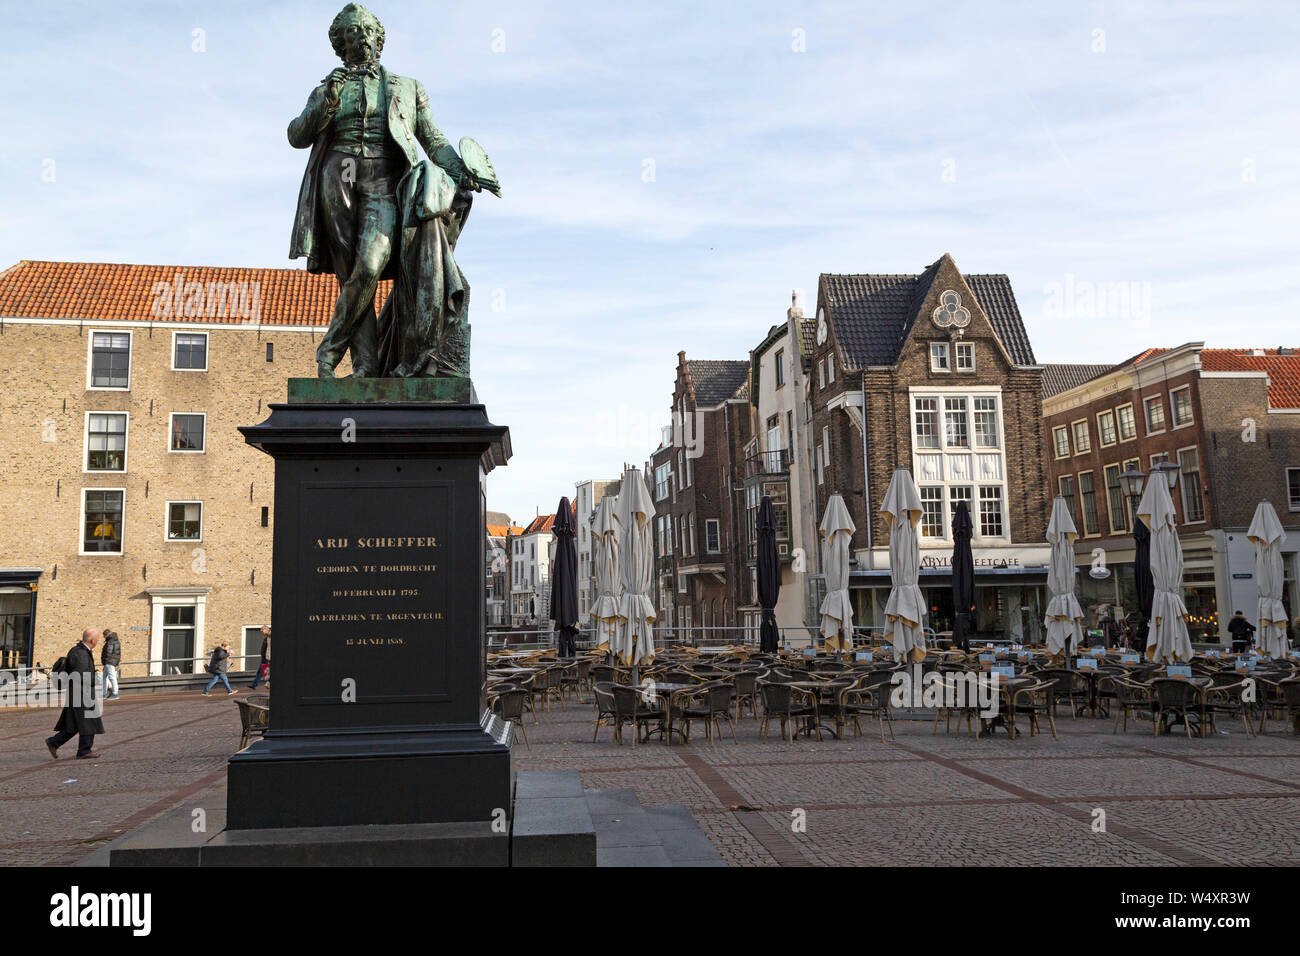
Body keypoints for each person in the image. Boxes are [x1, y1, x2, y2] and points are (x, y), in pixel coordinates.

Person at [45, 628, 105, 759]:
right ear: (92, 640)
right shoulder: (81, 653)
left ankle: (54, 742)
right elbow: (82, 675)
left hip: (79, 693)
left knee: (76, 723)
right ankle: (84, 750)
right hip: (81, 694)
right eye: (97, 639)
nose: (98, 641)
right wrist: (96, 679)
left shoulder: (79, 651)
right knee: (88, 721)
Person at [100, 628, 122, 700]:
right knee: (105, 677)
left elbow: (108, 653)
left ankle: (115, 693)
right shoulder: (116, 641)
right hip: (111, 662)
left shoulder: (110, 642)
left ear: (106, 635)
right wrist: (117, 663)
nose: (104, 638)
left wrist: (105, 662)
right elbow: (118, 654)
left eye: (104, 636)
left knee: (111, 678)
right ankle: (104, 693)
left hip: (109, 662)